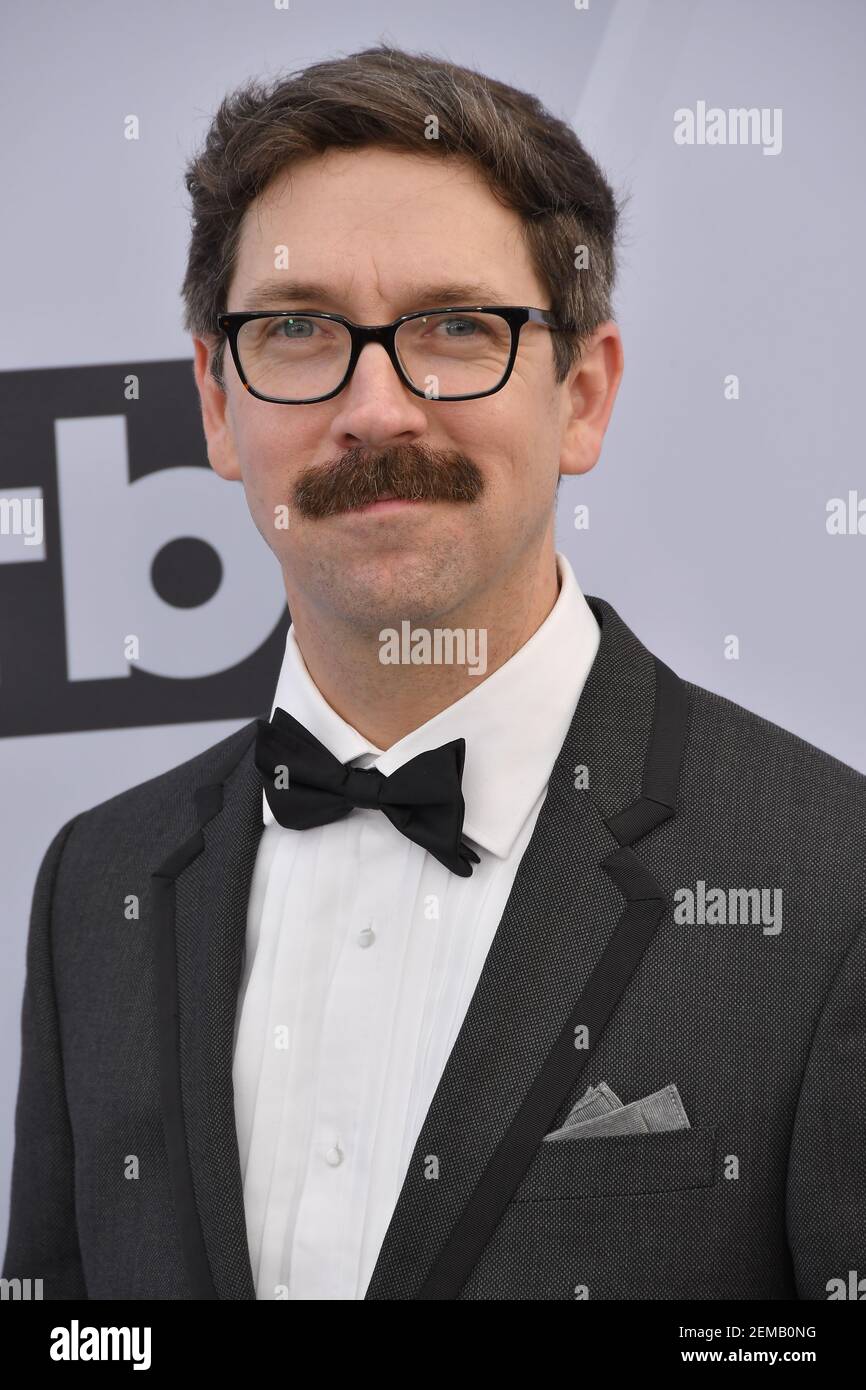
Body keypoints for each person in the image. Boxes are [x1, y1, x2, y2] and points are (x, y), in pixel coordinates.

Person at [4, 44, 864, 1301]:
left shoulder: (829, 881)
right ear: (214, 401)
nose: (376, 407)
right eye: (296, 330)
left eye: (455, 328)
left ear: (580, 393)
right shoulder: (97, 881)